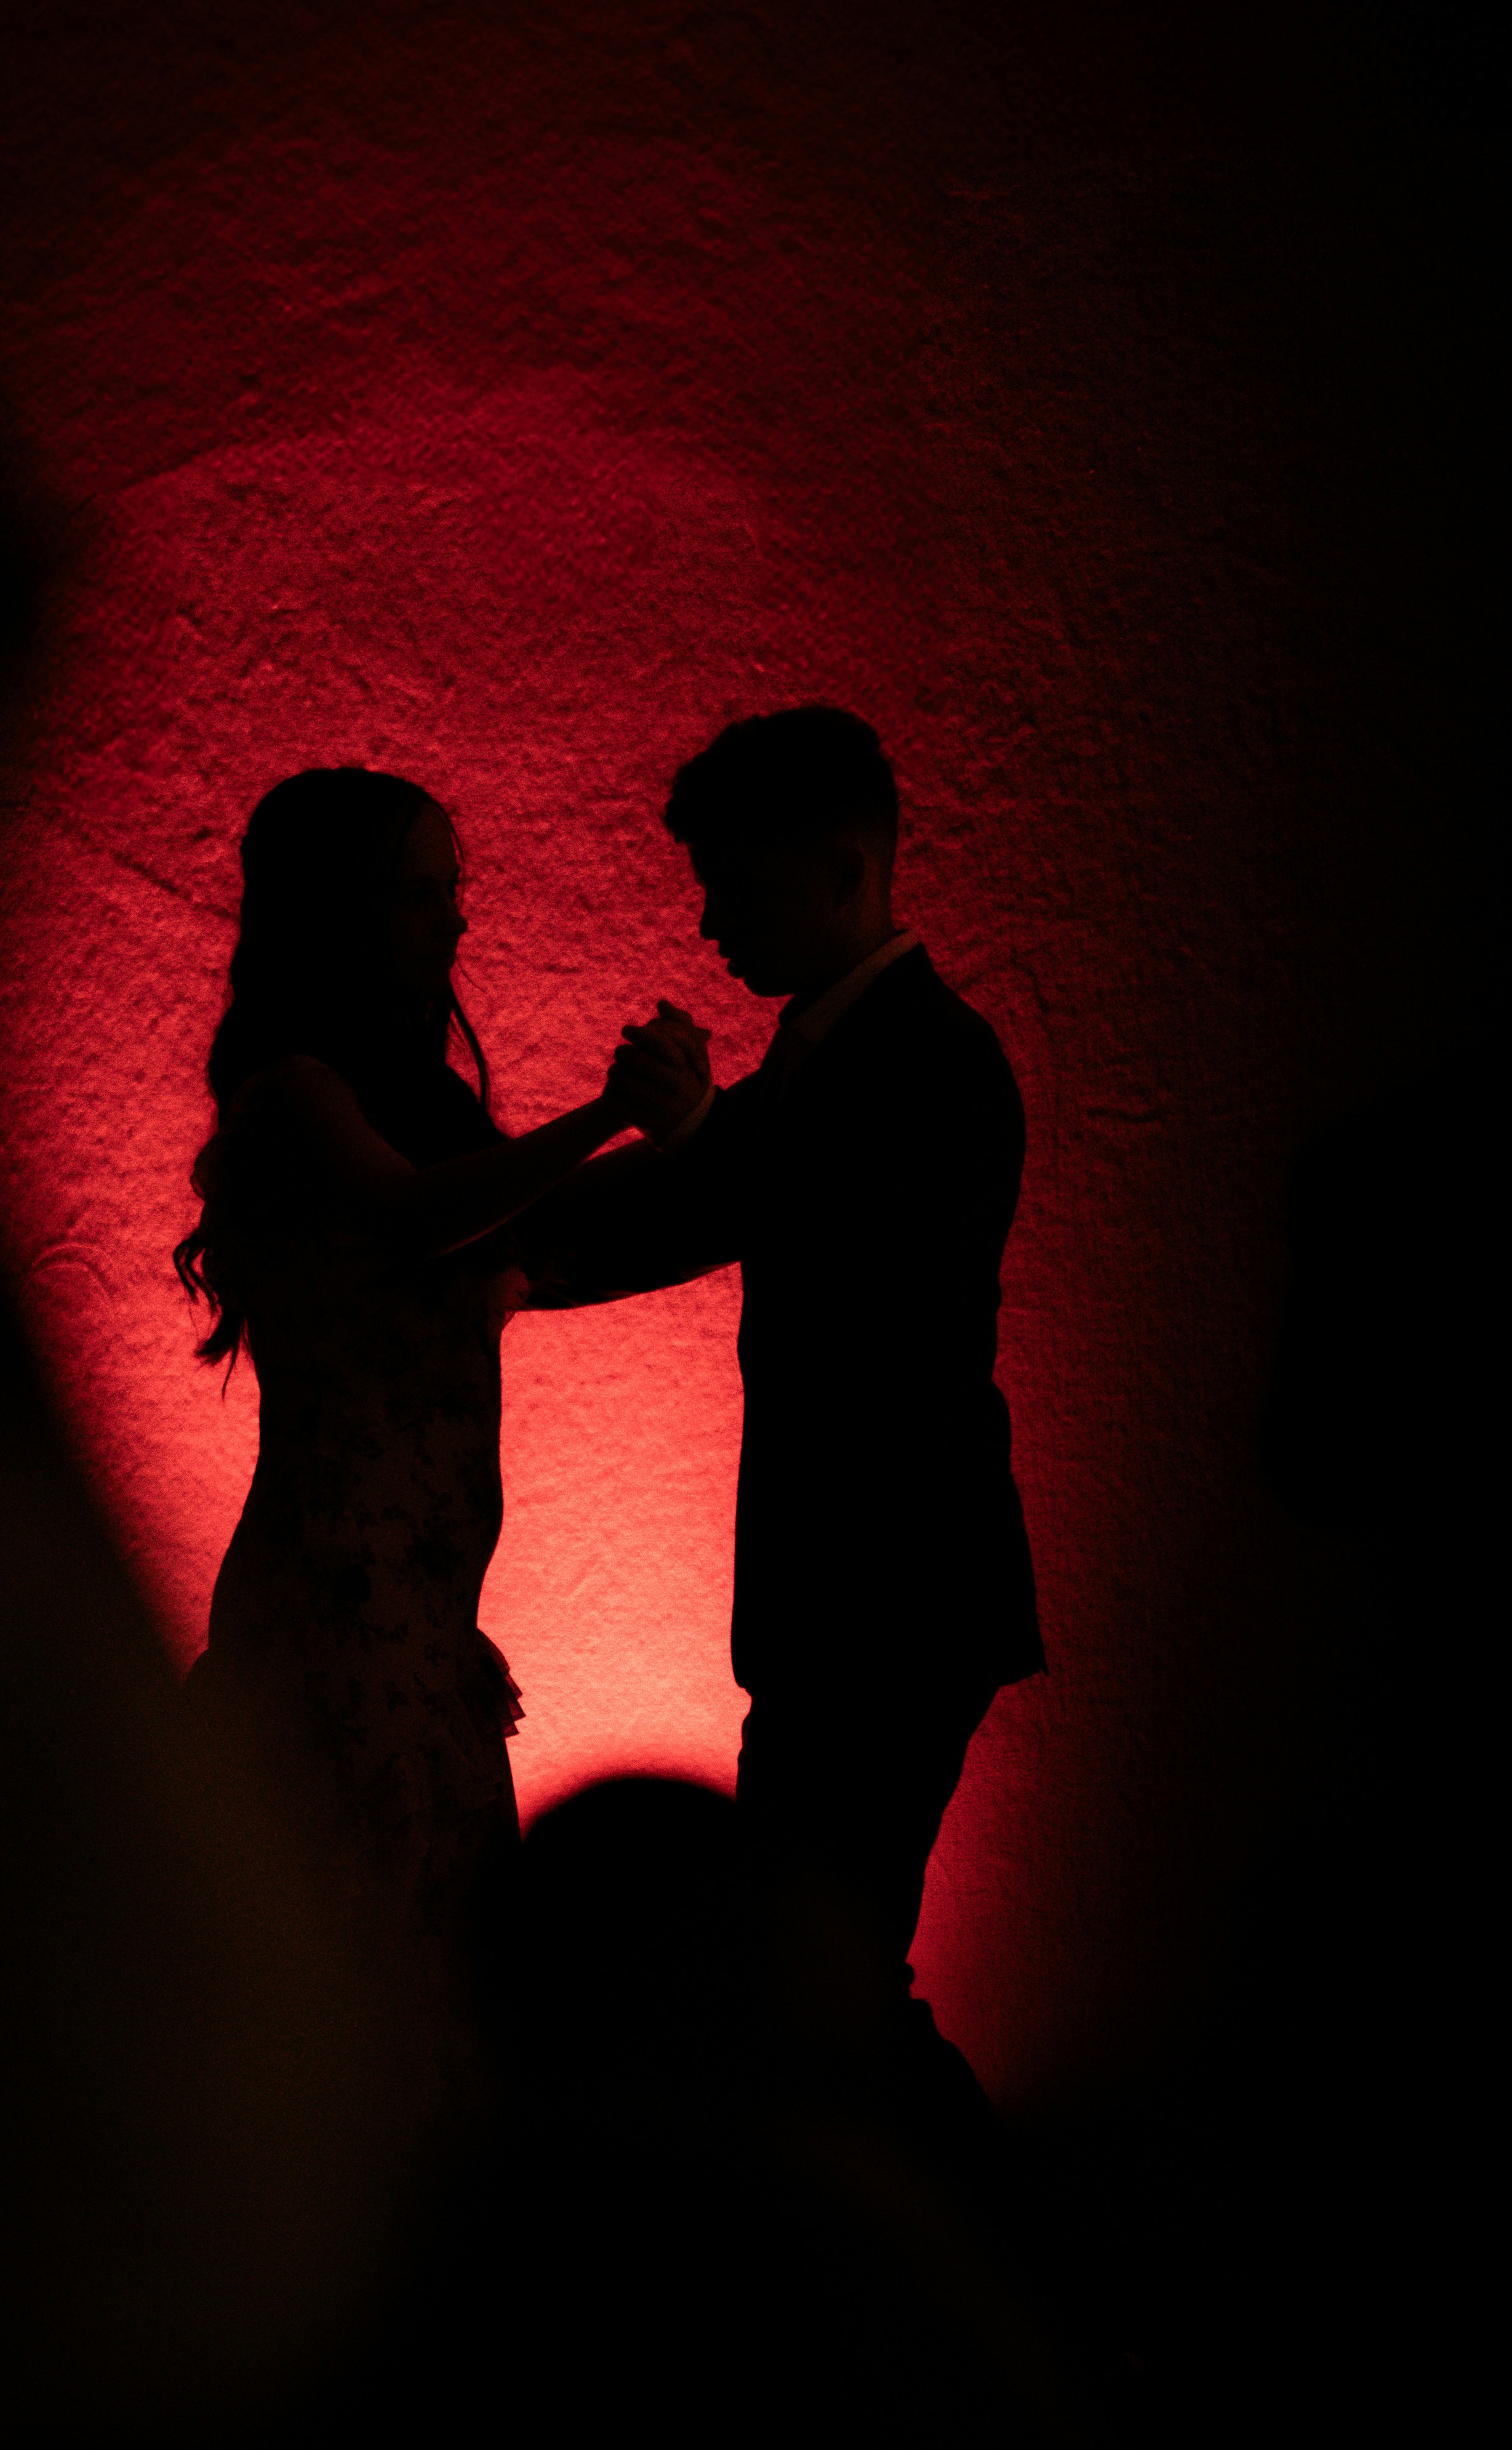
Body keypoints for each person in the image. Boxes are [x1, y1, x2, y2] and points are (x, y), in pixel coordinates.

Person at [529, 705, 1045, 2134]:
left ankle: (1016, 2274)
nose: (706, 925)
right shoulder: (843, 1061)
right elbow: (705, 1203)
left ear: (843, 869)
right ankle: (1010, 2281)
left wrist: (503, 1251)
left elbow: (828, 1233)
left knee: (821, 1990)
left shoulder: (937, 1063)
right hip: (874, 1607)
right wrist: (498, 1263)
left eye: (732, 888)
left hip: (889, 1602)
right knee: (823, 1985)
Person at [174, 768, 647, 1980]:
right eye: (420, 891)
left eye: (456, 887)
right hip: (335, 1623)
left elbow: (544, 1234)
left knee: (430, 1973)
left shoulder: (413, 1110)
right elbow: (410, 1216)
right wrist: (609, 1114)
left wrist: (738, 1154)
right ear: (337, 915)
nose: (458, 919)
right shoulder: (290, 1099)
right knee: (358, 1972)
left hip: (420, 1636)